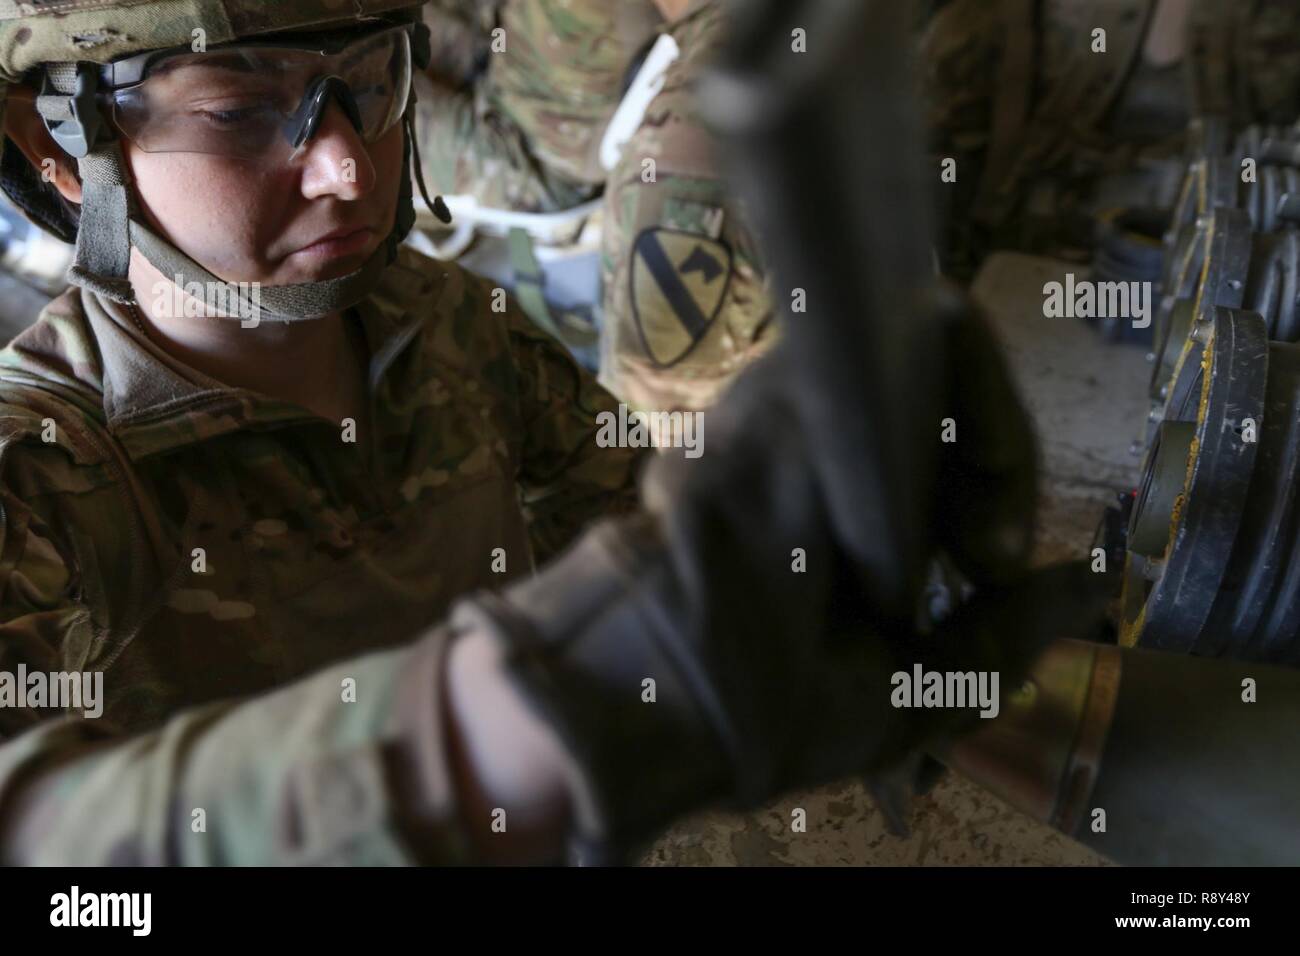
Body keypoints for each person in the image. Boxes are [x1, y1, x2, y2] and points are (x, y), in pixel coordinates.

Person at [0, 0, 649, 849]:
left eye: (374, 85)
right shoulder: (42, 468)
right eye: (239, 111)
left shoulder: (438, 311)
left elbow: (619, 508)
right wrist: (473, 747)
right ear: (61, 150)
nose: (348, 170)